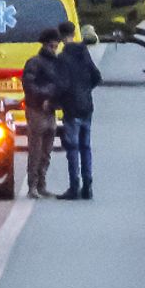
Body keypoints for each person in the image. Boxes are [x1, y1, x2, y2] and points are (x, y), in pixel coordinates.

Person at [55, 21, 102, 201]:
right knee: (85, 146)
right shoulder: (84, 53)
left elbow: (61, 84)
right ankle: (88, 184)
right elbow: (97, 76)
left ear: (60, 37)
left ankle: (74, 186)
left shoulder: (62, 58)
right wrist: (85, 90)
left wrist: (59, 101)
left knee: (72, 148)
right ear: (74, 33)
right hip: (86, 106)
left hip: (71, 107)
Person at [22, 28, 64, 198]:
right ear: (45, 44)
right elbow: (29, 85)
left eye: (56, 46)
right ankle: (33, 185)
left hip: (50, 110)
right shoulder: (34, 63)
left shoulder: (56, 64)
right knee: (36, 149)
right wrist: (44, 98)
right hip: (37, 110)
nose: (54, 49)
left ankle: (41, 184)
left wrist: (55, 101)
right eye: (52, 46)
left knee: (46, 150)